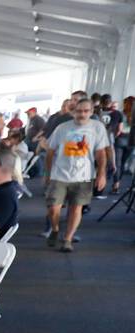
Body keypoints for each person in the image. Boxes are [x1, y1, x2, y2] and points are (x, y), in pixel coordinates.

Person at [45, 96, 110, 252]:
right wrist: (47, 174)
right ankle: (54, 229)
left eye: (86, 111)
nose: (82, 114)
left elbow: (101, 153)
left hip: (84, 175)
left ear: (91, 111)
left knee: (76, 208)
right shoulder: (62, 128)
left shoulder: (97, 128)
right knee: (53, 208)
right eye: (79, 111)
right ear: (73, 112)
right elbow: (50, 151)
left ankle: (67, 239)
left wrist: (102, 174)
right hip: (59, 174)